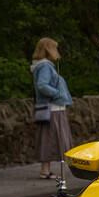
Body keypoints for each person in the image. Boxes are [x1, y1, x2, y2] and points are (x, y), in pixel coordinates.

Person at [31, 37, 73, 181]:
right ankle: (46, 171)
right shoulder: (45, 66)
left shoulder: (43, 66)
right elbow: (42, 85)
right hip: (53, 108)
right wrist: (57, 93)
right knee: (52, 139)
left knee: (47, 139)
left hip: (50, 108)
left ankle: (46, 170)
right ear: (49, 49)